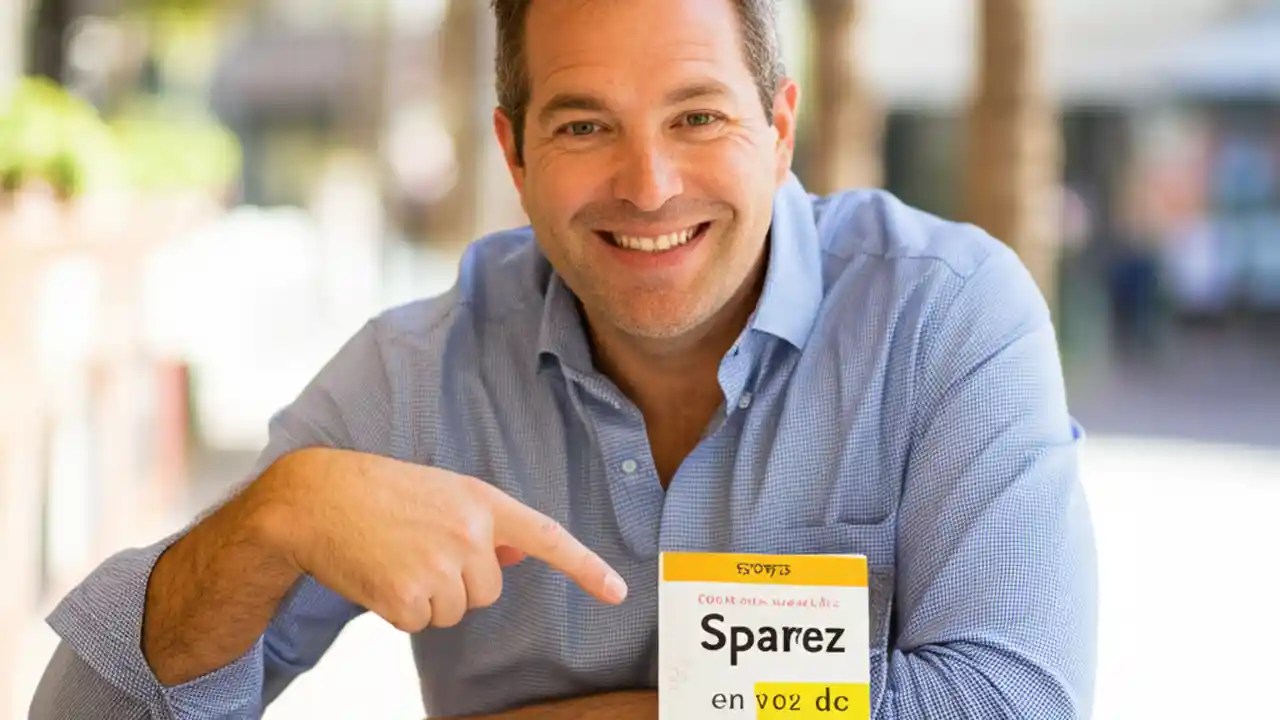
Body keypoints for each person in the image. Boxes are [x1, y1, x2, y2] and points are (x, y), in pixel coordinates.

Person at [31, 0, 1097, 717]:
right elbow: (92, 708)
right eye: (585, 127)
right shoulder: (414, 375)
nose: (646, 186)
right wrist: (272, 520)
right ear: (514, 151)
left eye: (697, 116)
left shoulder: (944, 317)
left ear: (779, 129)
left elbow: (1010, 703)